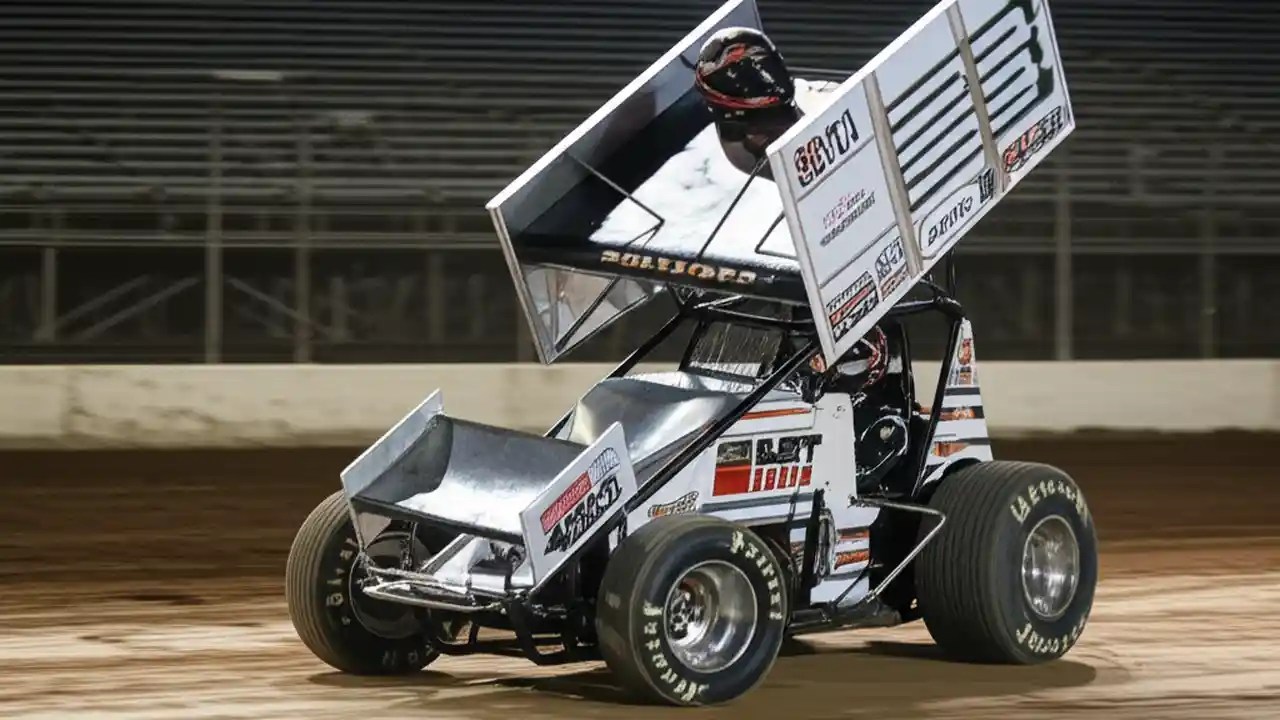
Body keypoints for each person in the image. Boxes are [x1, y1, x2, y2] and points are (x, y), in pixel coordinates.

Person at [693, 26, 835, 179]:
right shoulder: (737, 160)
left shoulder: (821, 94)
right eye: (754, 72)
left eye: (767, 63)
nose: (769, 75)